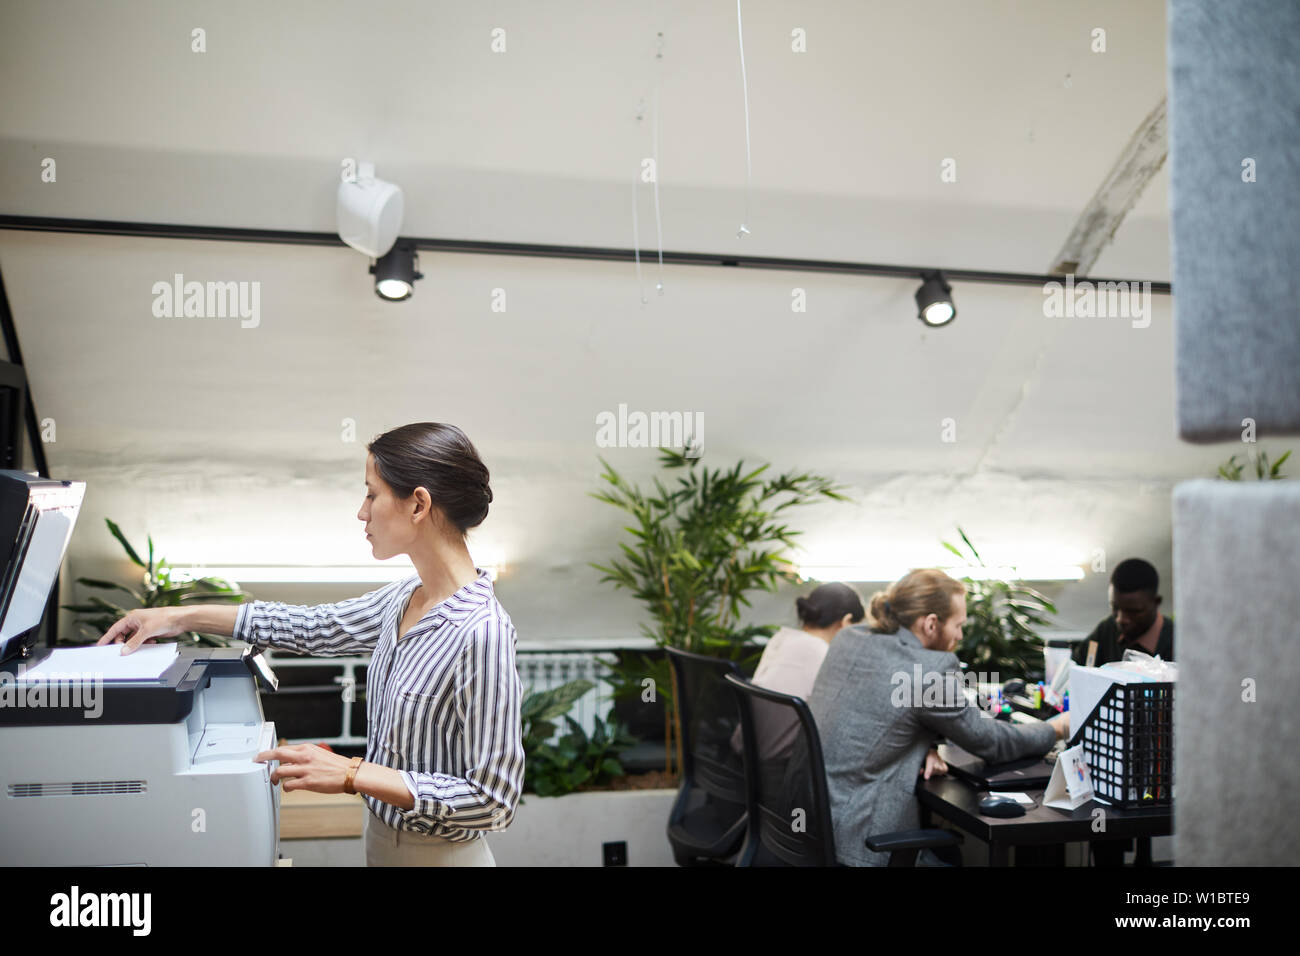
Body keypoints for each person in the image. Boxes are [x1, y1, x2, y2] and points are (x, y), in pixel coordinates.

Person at [97, 422, 524, 867]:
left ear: (418, 504)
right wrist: (179, 616)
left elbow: (494, 800)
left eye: (371, 494)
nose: (362, 512)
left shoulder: (481, 630)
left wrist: (351, 773)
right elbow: (309, 626)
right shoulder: (404, 598)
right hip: (380, 842)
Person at [807, 568, 1069, 866]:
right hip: (862, 843)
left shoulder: (850, 638)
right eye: (958, 625)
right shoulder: (929, 669)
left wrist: (926, 743)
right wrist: (1055, 728)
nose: (960, 635)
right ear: (931, 623)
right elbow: (990, 742)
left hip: (811, 829)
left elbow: (873, 710)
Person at [731, 582, 864, 760]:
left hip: (746, 758)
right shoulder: (824, 655)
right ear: (846, 622)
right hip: (783, 768)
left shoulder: (781, 639)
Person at [1072, 558, 1174, 667]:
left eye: (1133, 611)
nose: (1121, 619)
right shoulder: (1106, 631)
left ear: (1156, 602)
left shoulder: (1177, 642)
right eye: (1115, 607)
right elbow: (1077, 666)